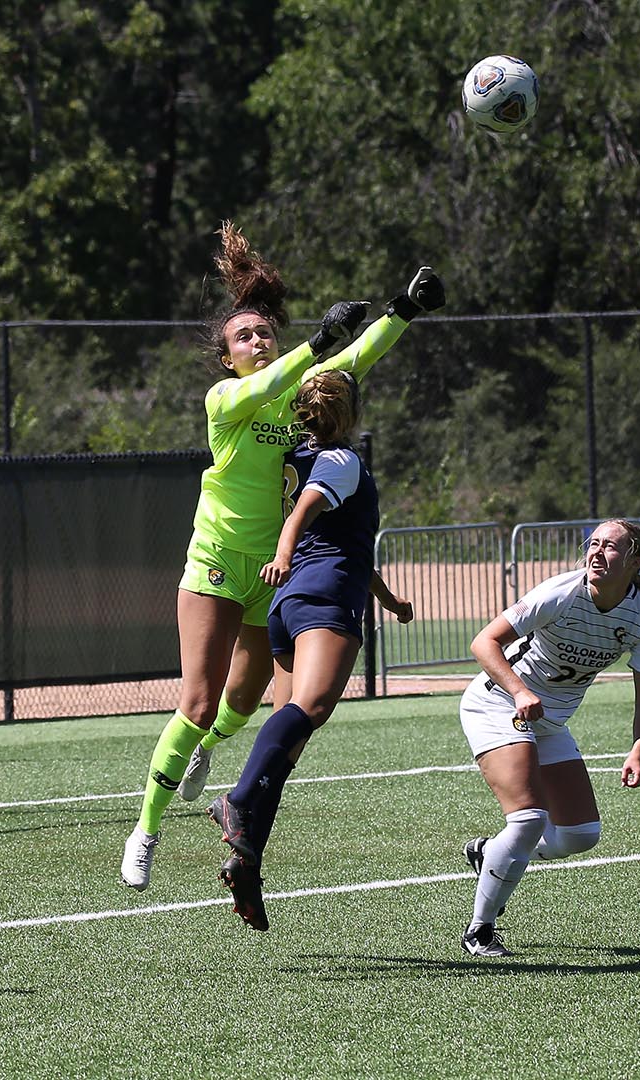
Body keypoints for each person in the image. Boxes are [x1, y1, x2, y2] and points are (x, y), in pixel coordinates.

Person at [119, 223, 443, 890]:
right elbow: (279, 378)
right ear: (226, 358)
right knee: (199, 700)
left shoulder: (297, 397)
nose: (258, 341)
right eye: (244, 337)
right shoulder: (224, 400)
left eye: (265, 333)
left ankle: (209, 753)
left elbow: (356, 360)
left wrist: (404, 309)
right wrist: (317, 342)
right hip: (217, 560)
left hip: (275, 569)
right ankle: (146, 829)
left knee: (245, 701)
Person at [205, 370, 414, 930]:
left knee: (286, 748)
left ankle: (248, 863)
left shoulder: (296, 458)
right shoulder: (341, 460)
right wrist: (282, 555)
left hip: (291, 602)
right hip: (323, 593)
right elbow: (304, 516)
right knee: (313, 707)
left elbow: (342, 537)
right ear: (353, 412)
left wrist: (388, 599)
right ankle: (236, 801)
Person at [456, 518, 640, 957]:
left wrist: (638, 750)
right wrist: (520, 691)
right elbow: (483, 643)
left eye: (610, 546)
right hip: (497, 704)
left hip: (549, 721)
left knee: (580, 834)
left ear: (634, 561)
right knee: (529, 819)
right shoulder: (562, 592)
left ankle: (492, 853)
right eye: (593, 543)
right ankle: (480, 931)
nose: (597, 552)